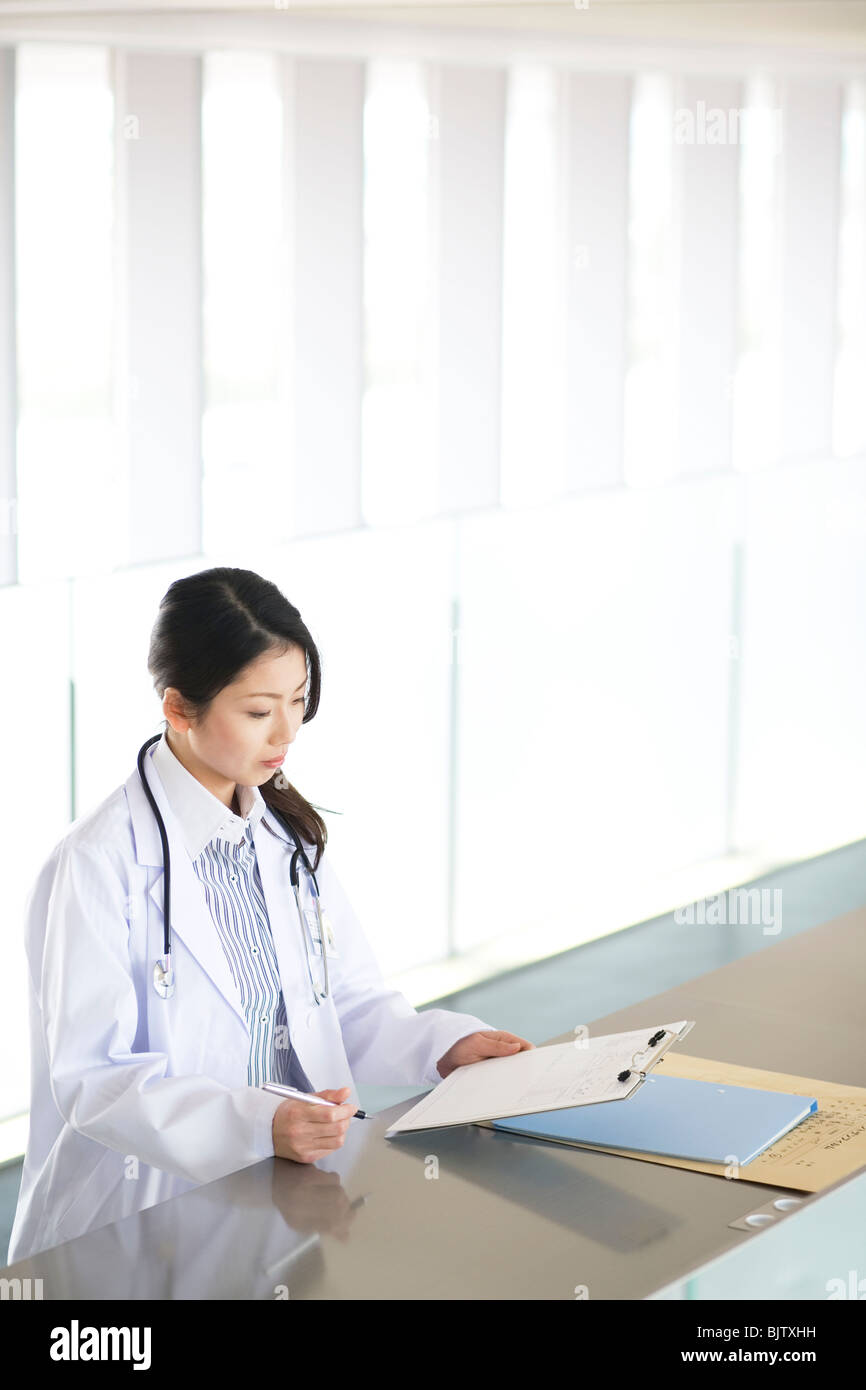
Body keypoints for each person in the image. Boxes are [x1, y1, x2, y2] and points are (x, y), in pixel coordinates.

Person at [8, 566, 533, 1262]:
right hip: (139, 1221)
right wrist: (258, 1124)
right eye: (258, 711)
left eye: (300, 700)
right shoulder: (98, 863)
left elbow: (342, 1000)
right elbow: (96, 1081)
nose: (288, 731)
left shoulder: (280, 831)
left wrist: (441, 1046)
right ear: (178, 708)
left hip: (281, 1200)